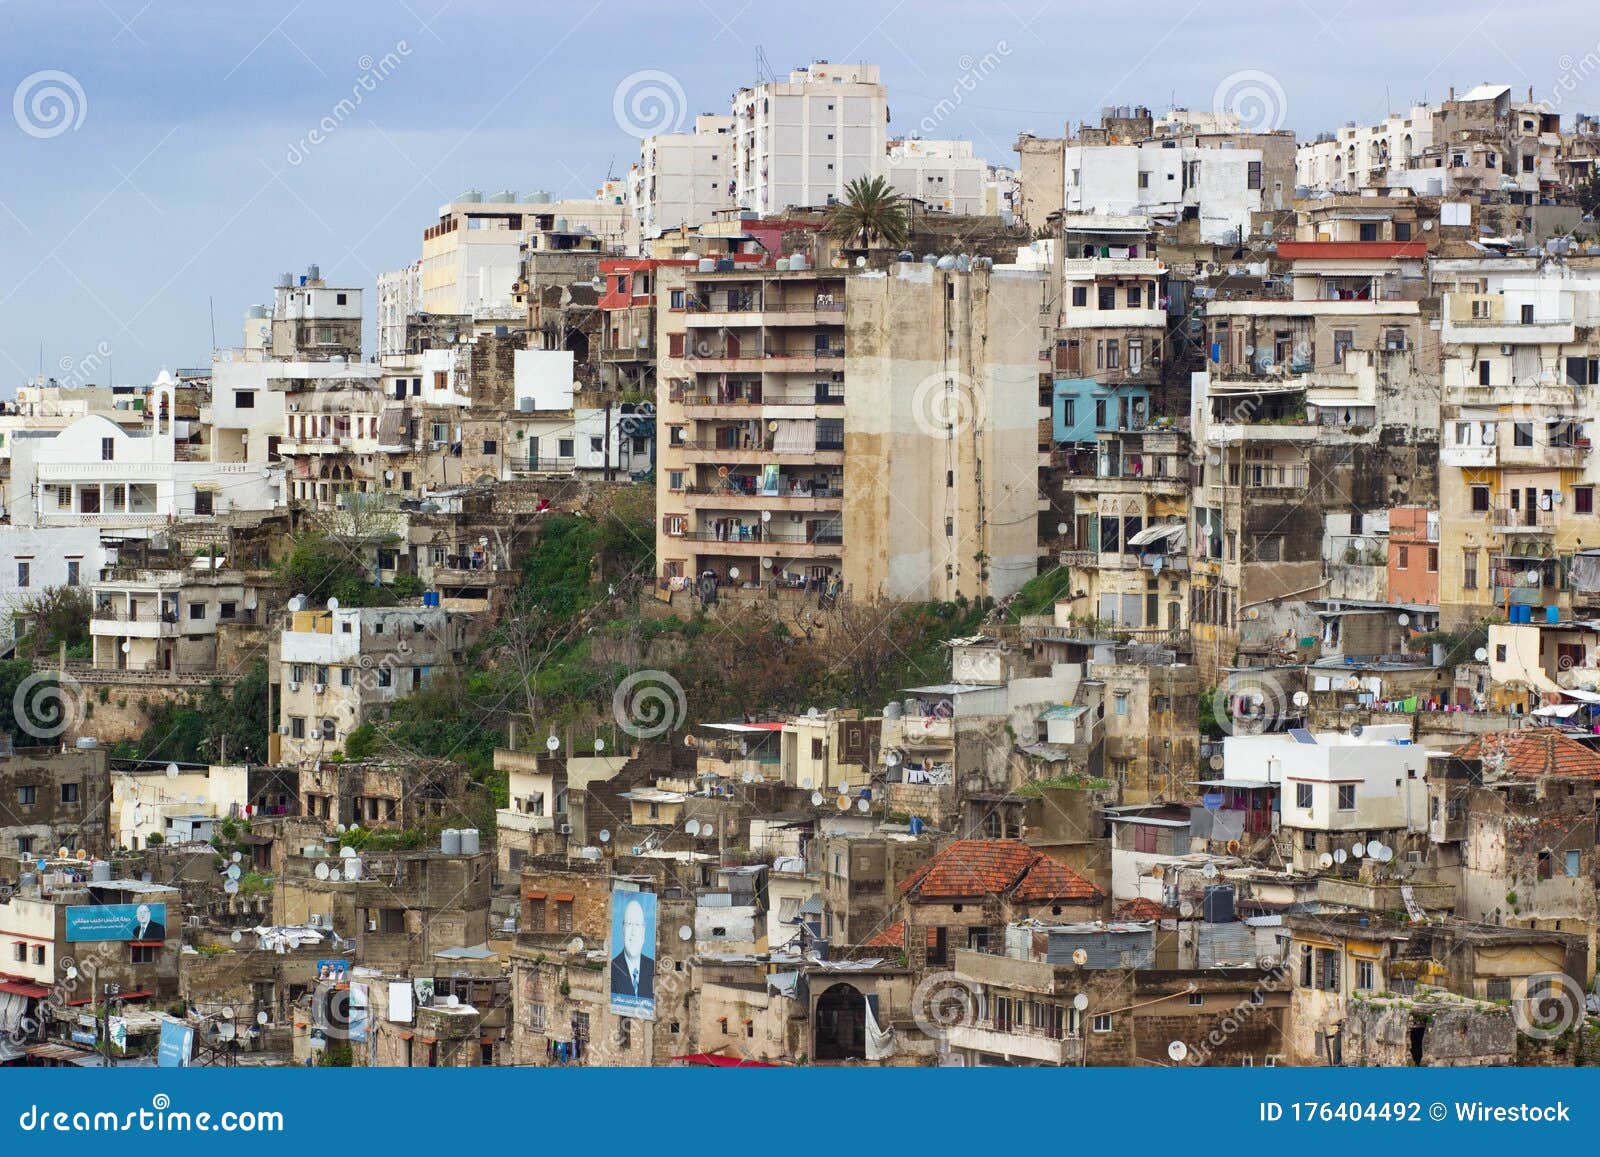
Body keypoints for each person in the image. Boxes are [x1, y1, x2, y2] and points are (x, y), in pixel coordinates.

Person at [609, 898, 654, 1000]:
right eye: (629, 925)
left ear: (644, 930)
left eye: (637, 925)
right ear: (622, 929)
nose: (633, 932)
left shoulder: (653, 966)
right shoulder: (612, 968)